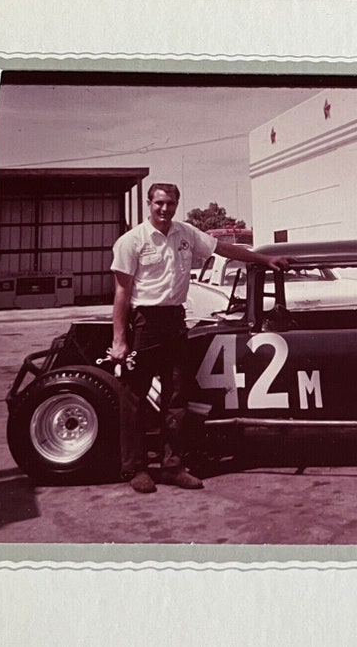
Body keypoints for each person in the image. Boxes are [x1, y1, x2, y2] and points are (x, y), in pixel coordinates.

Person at [110, 182, 291, 494]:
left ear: (177, 204)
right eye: (159, 204)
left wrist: (262, 260)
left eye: (170, 204)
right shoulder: (131, 241)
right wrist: (120, 340)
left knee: (177, 395)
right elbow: (121, 293)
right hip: (144, 322)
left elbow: (224, 249)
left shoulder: (185, 233)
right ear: (148, 204)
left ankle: (172, 465)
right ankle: (135, 467)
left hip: (175, 320)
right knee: (135, 399)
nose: (164, 209)